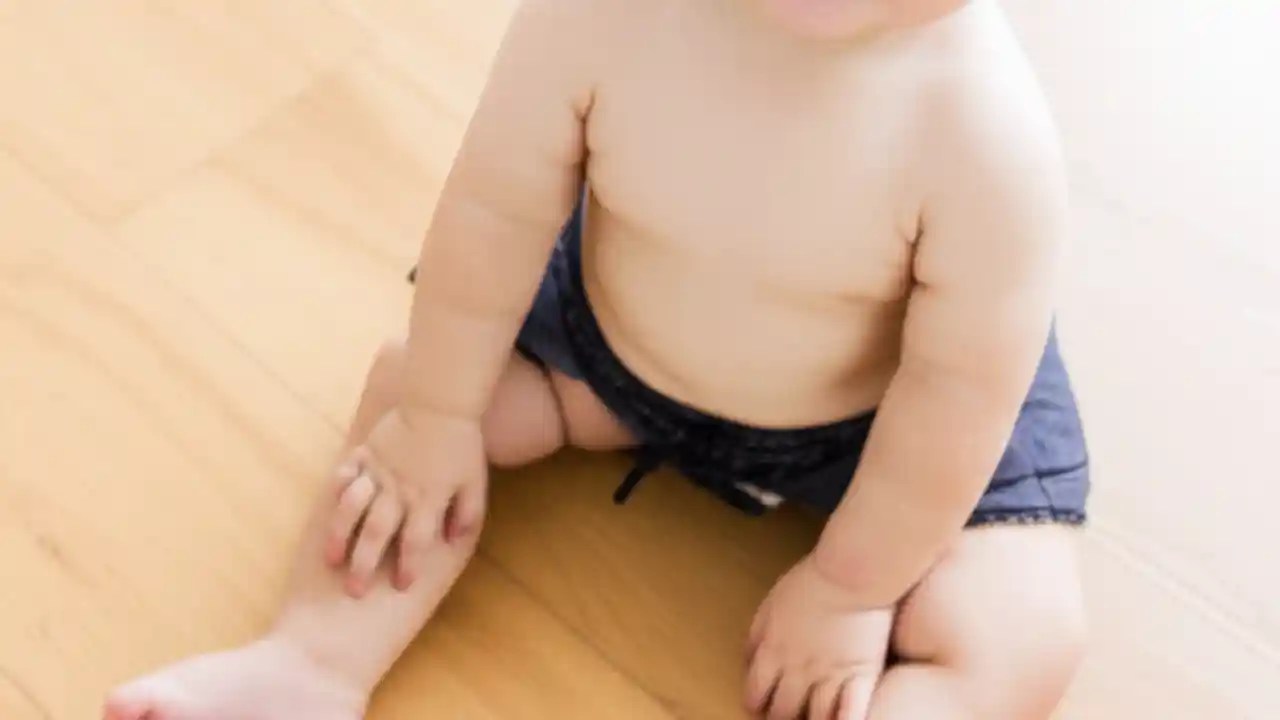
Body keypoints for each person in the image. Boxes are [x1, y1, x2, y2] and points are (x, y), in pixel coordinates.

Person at [104, 0, 1090, 717]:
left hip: (882, 422)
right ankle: (309, 666)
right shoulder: (601, 16)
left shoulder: (985, 138)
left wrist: (854, 584)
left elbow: (956, 393)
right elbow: (495, 204)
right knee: (413, 387)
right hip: (613, 350)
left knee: (1023, 630)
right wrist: (440, 420)